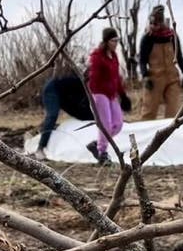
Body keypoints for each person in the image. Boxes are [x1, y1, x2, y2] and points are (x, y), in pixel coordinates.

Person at [33, 73, 132, 161]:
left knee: (87, 115)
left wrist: (116, 120)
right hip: (53, 89)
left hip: (67, 95)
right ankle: (40, 148)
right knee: (52, 115)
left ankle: (49, 128)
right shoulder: (89, 81)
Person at [139, 5, 183, 120]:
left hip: (172, 78)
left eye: (155, 24)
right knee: (149, 112)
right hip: (154, 78)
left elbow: (179, 56)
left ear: (162, 23)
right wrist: (145, 76)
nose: (153, 26)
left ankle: (171, 131)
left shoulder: (172, 36)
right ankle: (147, 131)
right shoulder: (147, 38)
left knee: (173, 112)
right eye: (151, 23)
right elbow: (142, 61)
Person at [86, 28, 125, 165]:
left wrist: (123, 94)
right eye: (113, 41)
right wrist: (92, 96)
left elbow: (116, 77)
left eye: (117, 40)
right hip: (99, 94)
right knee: (106, 125)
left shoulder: (114, 56)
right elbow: (93, 78)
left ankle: (97, 144)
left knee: (118, 124)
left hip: (112, 94)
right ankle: (102, 153)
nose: (116, 43)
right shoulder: (97, 56)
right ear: (107, 41)